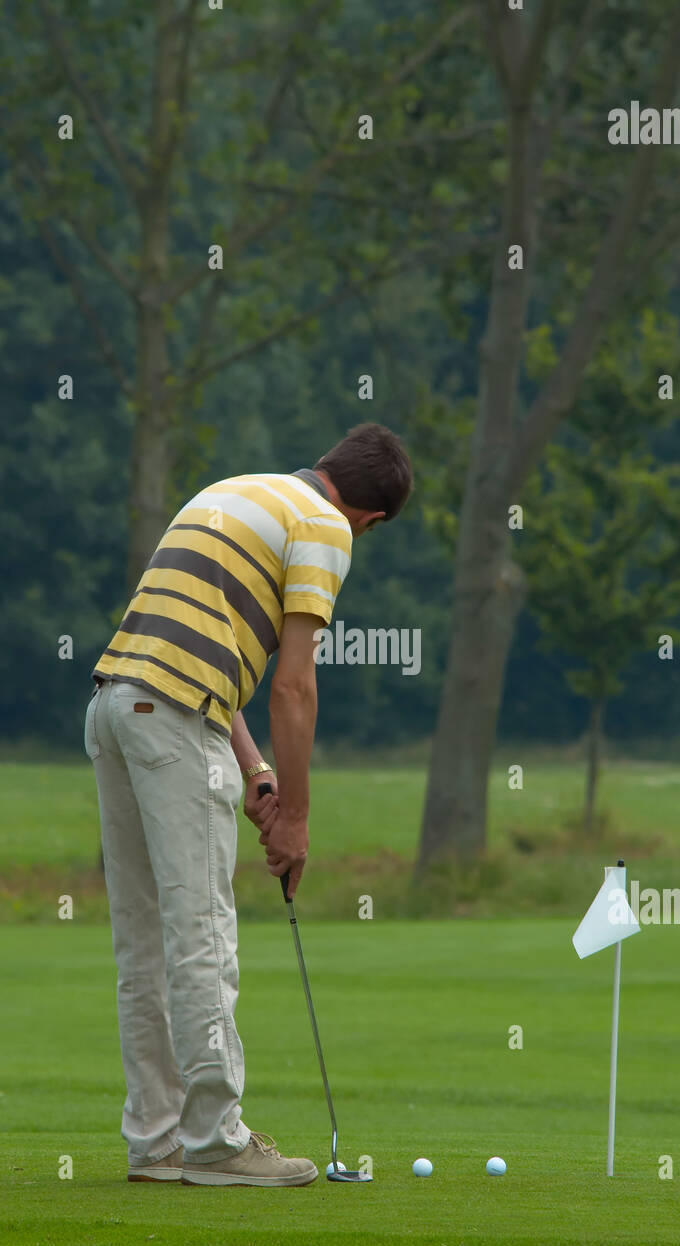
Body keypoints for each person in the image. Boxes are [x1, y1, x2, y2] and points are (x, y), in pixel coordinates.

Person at [84, 422, 413, 1187]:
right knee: (201, 934)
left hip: (114, 704)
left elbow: (203, 645)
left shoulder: (232, 492)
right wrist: (295, 817)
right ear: (373, 518)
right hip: (170, 717)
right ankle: (217, 1143)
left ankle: (158, 1141)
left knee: (145, 942)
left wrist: (256, 771)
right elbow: (293, 684)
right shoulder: (326, 526)